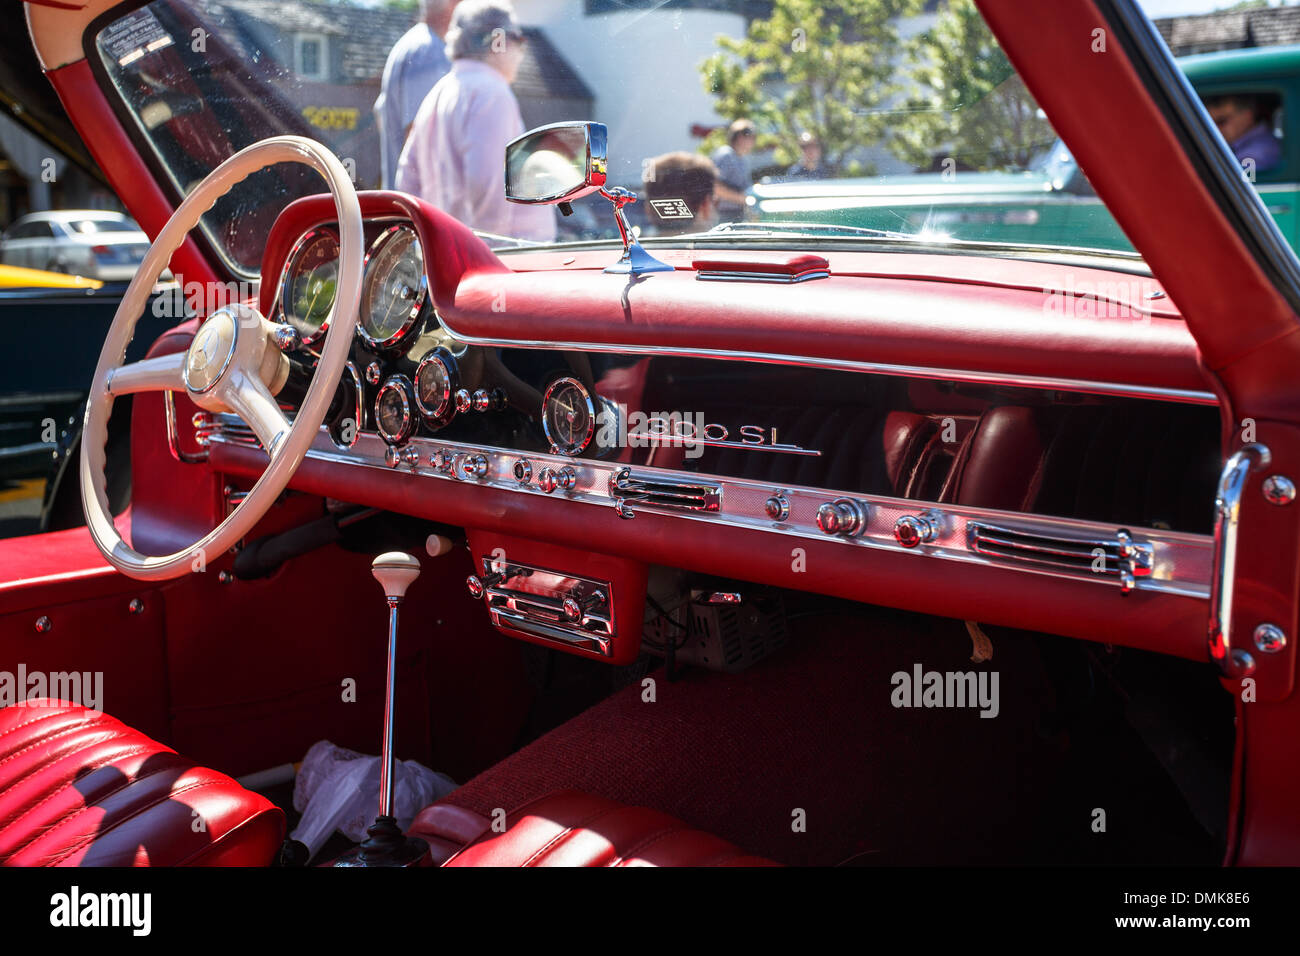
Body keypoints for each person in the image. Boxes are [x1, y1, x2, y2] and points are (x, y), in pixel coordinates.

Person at [395, 0, 555, 241]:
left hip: (449, 251)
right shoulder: (491, 92)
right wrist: (488, 251)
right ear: (498, 41)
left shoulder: (438, 93)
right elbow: (485, 181)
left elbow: (407, 179)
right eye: (519, 41)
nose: (522, 53)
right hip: (504, 260)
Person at [373, 0, 461, 190]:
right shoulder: (429, 52)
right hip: (419, 209)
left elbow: (380, 112)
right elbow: (420, 138)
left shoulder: (413, 44)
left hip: (404, 203)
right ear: (455, 4)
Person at [641, 151, 718, 236]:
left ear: (647, 209)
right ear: (705, 205)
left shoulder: (628, 247)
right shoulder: (727, 247)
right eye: (715, 201)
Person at [1204, 93, 1282, 174]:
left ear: (1247, 116)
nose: (1214, 129)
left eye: (1221, 121)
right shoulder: (1250, 146)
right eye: (1209, 123)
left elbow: (1249, 179)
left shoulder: (1256, 153)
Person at [710, 119, 756, 222]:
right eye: (752, 137)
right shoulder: (726, 155)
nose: (754, 141)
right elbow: (715, 187)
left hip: (738, 214)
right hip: (724, 216)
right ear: (740, 137)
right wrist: (745, 199)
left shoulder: (742, 158)